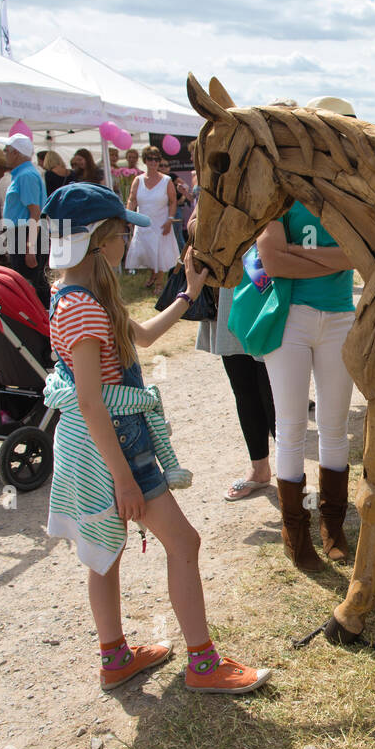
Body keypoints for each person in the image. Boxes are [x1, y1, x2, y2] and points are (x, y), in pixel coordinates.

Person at [41, 182, 271, 694]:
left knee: (106, 552)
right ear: (99, 241)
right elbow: (90, 399)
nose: (130, 241)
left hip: (101, 445)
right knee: (184, 543)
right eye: (123, 232)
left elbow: (141, 337)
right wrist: (124, 479)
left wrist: (188, 293)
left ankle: (115, 656)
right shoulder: (83, 307)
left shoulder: (76, 295)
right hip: (115, 448)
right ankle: (204, 665)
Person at [241, 96, 359, 572]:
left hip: (339, 318)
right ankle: (295, 532)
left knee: (335, 427)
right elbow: (271, 260)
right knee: (290, 427)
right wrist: (339, 256)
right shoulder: (281, 188)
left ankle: (332, 525)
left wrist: (302, 257)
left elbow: (361, 254)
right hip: (288, 318)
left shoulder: (354, 189)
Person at [195, 266, 276, 501]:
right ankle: (259, 468)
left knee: (274, 392)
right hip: (230, 287)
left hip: (269, 288)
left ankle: (292, 475)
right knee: (243, 387)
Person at [0, 131, 50, 307]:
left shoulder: (26, 176)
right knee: (33, 283)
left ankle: (46, 323)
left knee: (33, 284)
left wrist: (30, 247)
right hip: (24, 233)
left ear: (16, 153)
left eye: (7, 150)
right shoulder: (24, 174)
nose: (4, 153)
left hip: (27, 233)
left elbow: (35, 212)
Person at [125, 145, 179, 291]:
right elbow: (132, 199)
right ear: (145, 160)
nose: (153, 162)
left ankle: (159, 283)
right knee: (146, 251)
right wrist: (129, 216)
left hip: (161, 222)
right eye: (150, 159)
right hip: (143, 222)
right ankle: (153, 274)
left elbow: (173, 201)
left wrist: (170, 219)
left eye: (156, 159)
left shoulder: (166, 180)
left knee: (160, 252)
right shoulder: (138, 180)